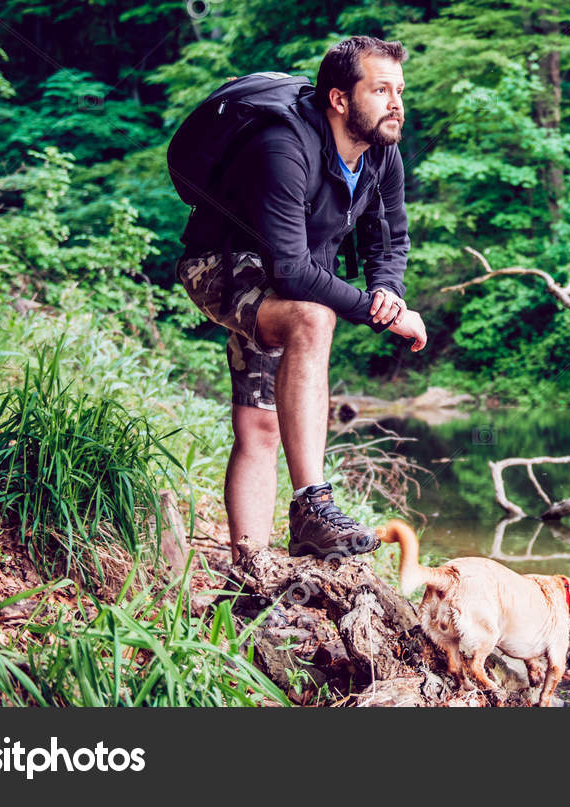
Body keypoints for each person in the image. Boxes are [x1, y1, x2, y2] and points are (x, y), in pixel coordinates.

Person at [175, 36, 427, 564]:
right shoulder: (283, 146)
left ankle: (250, 571)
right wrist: (379, 315)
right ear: (340, 99)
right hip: (219, 265)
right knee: (313, 318)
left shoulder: (383, 154)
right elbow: (290, 272)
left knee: (261, 423)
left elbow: (390, 238)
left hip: (293, 275)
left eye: (399, 90)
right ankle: (313, 505)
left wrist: (388, 293)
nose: (396, 103)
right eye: (381, 90)